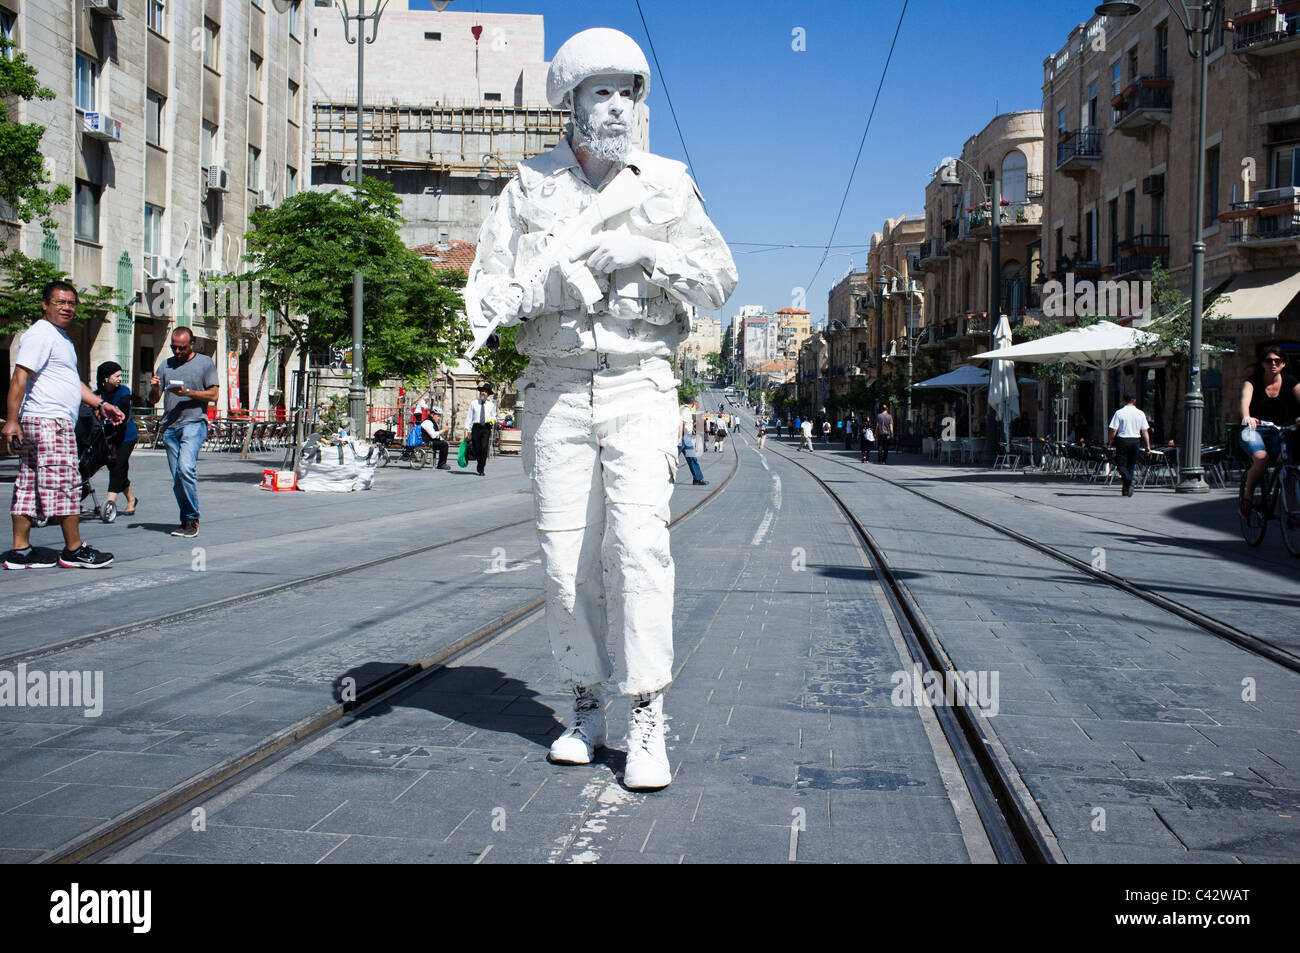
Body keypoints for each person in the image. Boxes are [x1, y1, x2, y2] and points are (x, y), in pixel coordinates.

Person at [464, 28, 736, 790]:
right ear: (570, 103)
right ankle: (585, 703)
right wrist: (547, 285)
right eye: (600, 93)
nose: (617, 108)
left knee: (641, 548)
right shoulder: (528, 188)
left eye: (627, 93)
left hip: (638, 380)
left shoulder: (668, 183)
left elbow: (719, 277)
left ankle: (647, 711)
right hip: (553, 386)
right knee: (563, 559)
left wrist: (649, 256)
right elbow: (484, 293)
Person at [3, 282, 125, 569]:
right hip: (49, 422)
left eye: (71, 303)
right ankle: (74, 549)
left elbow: (71, 382)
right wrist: (11, 420)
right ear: (45, 304)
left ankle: (20, 551)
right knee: (67, 484)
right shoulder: (41, 335)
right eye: (60, 302)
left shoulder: (60, 338)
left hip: (44, 422)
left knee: (29, 485)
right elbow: (19, 377)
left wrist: (99, 404)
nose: (67, 308)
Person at [148, 326, 219, 538]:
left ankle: (192, 518)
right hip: (170, 426)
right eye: (173, 347)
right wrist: (153, 388)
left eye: (181, 348)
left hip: (193, 423)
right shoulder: (165, 365)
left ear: (192, 344)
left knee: (186, 468)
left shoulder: (205, 362)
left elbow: (214, 395)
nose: (177, 352)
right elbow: (154, 400)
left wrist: (187, 392)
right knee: (178, 477)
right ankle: (186, 519)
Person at [1238, 346, 1300, 517]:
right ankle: (1247, 497)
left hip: (1279, 431)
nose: (1273, 363)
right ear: (1262, 364)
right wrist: (1247, 417)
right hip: (1254, 429)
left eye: (1277, 360)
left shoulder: (1290, 381)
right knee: (1261, 459)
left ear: (1283, 364)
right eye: (1268, 360)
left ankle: (1293, 513)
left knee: (1287, 467)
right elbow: (1244, 401)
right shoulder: (1252, 382)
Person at [93, 361, 139, 521]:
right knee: (117, 467)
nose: (121, 378)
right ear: (106, 378)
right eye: (117, 376)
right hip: (108, 437)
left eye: (121, 375)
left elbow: (125, 408)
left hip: (126, 436)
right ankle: (131, 499)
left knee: (117, 465)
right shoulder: (97, 395)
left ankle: (110, 503)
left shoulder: (124, 391)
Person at [1105, 393, 1151, 497]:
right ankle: (1126, 490)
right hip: (1135, 441)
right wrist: (1147, 445)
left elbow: (1113, 430)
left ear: (1124, 401)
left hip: (1122, 441)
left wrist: (1109, 442)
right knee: (1131, 465)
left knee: (1121, 465)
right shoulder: (1140, 413)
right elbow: (1145, 431)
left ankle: (1128, 480)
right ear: (1134, 400)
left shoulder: (1119, 413)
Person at [463, 384, 496, 476]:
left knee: (484, 447)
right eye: (482, 391)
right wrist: (466, 430)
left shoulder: (491, 405)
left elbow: (494, 416)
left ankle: (481, 468)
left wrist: (492, 421)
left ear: (488, 394)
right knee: (477, 447)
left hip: (486, 427)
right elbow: (469, 417)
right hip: (476, 427)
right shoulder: (474, 403)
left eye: (485, 392)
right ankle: (478, 461)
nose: (483, 393)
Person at [678, 399, 707, 485]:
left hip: (686, 438)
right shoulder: (686, 410)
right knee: (673, 458)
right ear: (694, 403)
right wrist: (679, 438)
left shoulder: (682, 408)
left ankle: (697, 478)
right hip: (683, 438)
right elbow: (681, 423)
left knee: (692, 458)